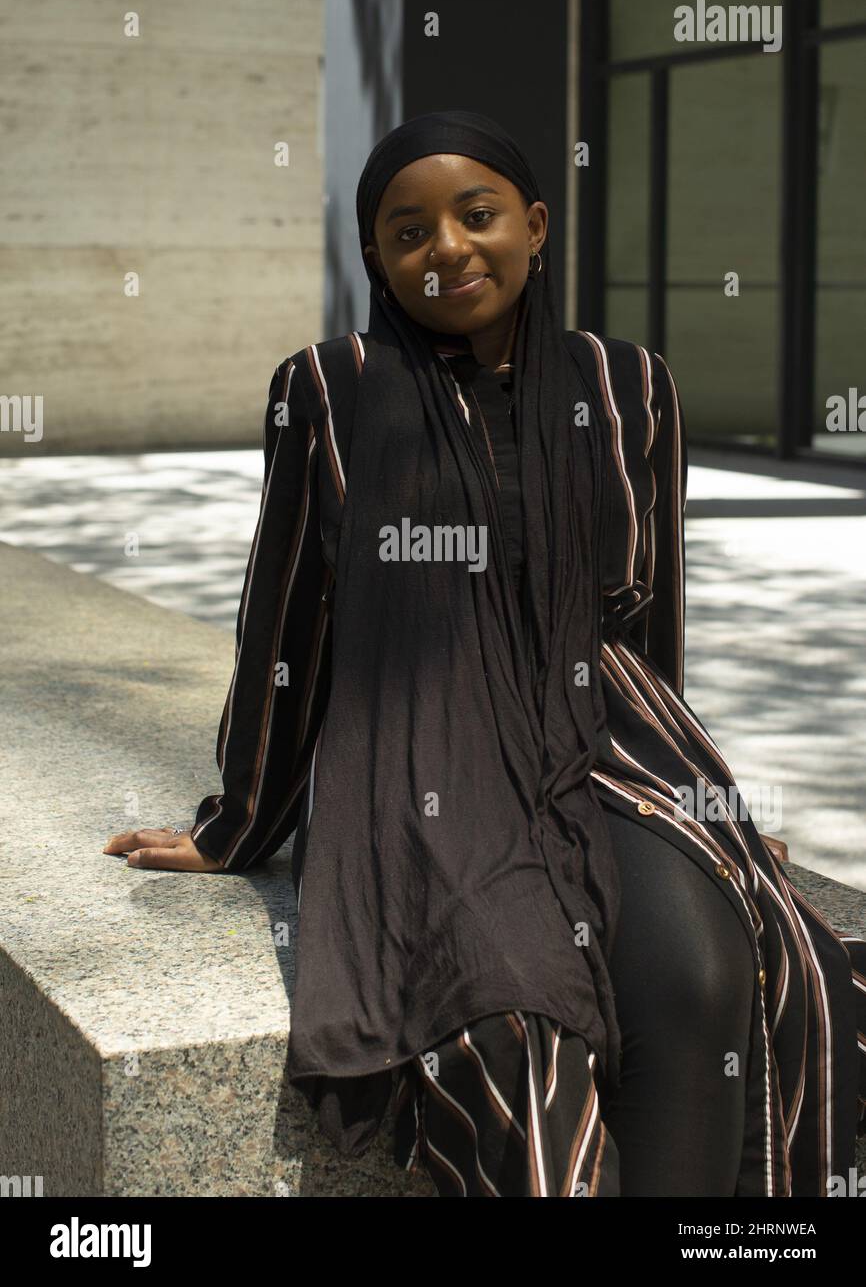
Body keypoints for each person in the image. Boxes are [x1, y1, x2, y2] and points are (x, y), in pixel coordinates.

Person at [104, 109, 866, 1198]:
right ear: (376, 257)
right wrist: (237, 824)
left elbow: (653, 628)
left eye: (476, 216)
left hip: (601, 734)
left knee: (706, 978)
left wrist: (699, 807)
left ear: (535, 225)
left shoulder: (628, 385)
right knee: (512, 1013)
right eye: (406, 232)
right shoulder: (329, 387)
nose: (445, 249)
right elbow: (287, 617)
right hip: (418, 747)